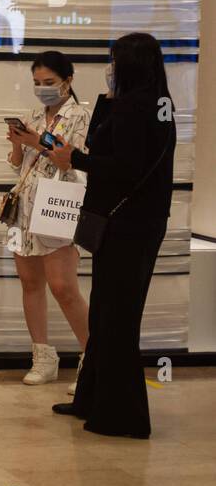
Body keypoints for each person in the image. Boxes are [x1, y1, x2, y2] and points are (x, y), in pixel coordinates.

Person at [48, 32, 175, 438]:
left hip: (130, 225)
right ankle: (93, 399)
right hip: (134, 222)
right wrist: (108, 100)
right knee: (105, 313)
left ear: (131, 65)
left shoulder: (138, 107)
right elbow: (111, 144)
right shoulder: (154, 102)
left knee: (117, 317)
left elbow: (122, 166)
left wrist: (74, 158)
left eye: (116, 61)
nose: (111, 68)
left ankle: (122, 415)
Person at [4, 51, 90, 390]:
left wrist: (35, 141)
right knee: (30, 283)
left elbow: (71, 160)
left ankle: (93, 358)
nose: (43, 88)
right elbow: (17, 163)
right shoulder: (33, 116)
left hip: (58, 206)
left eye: (49, 82)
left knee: (63, 287)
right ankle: (42, 356)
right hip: (24, 207)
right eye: (37, 83)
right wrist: (17, 143)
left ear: (68, 81)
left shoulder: (80, 116)